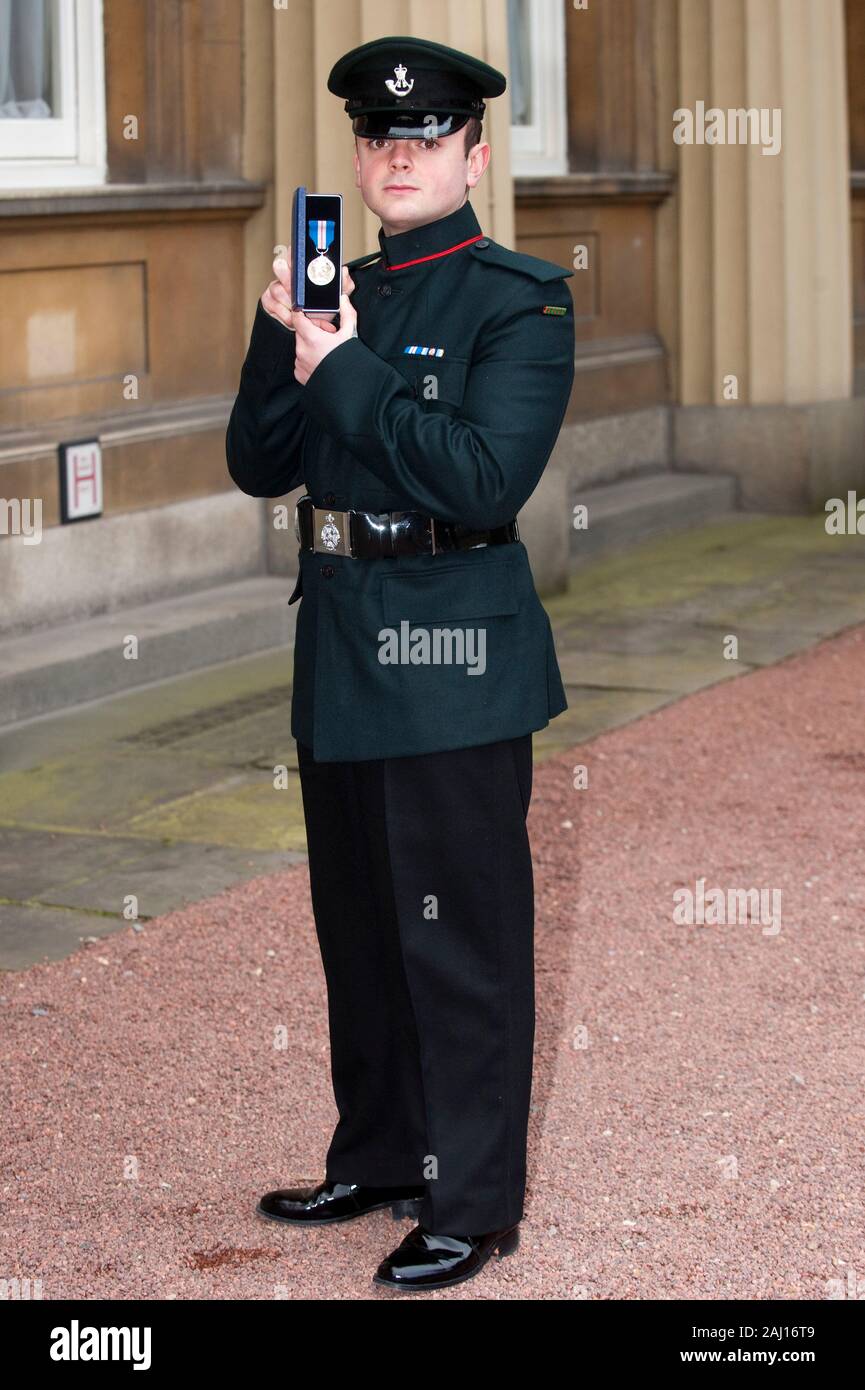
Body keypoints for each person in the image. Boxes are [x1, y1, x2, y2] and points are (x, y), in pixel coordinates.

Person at [225, 35, 575, 1293]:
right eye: (378, 139)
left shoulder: (518, 298)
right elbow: (260, 463)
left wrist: (348, 366)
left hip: (455, 656)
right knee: (362, 928)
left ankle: (472, 1201)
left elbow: (485, 475)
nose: (397, 156)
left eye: (424, 139)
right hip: (341, 639)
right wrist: (286, 337)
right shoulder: (339, 289)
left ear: (473, 155)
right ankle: (380, 1153)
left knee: (458, 937)